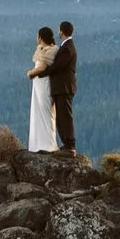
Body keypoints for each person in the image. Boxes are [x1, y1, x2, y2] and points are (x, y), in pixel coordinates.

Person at [25, 25, 59, 151]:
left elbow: (42, 68)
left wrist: (30, 73)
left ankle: (48, 145)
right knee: (38, 112)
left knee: (46, 113)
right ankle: (38, 144)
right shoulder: (41, 49)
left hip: (44, 84)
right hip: (38, 85)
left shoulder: (51, 50)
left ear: (40, 37)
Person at [47, 20, 78, 155]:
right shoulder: (67, 46)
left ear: (62, 32)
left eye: (59, 30)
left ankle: (69, 146)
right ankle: (66, 144)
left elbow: (58, 66)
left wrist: (42, 71)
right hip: (62, 88)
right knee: (62, 117)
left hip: (64, 87)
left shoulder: (67, 48)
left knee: (65, 117)